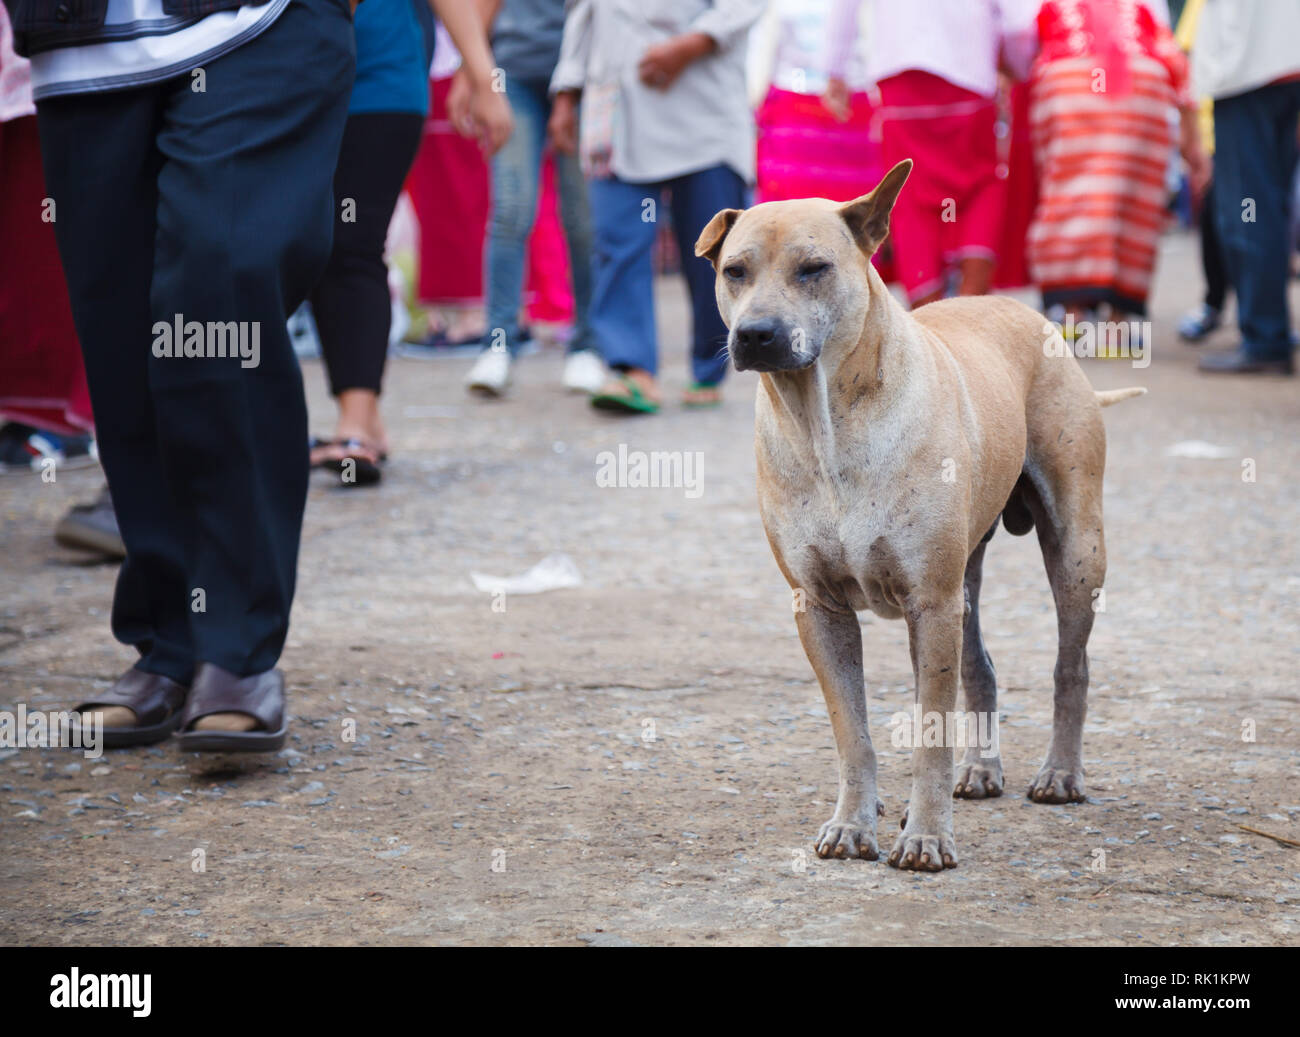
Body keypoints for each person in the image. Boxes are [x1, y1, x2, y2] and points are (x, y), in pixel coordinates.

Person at [11, 0, 509, 751]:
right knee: (120, 328)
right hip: (81, 37)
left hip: (260, 23)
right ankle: (169, 643)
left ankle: (235, 648)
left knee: (219, 279)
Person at [549, 0, 764, 413]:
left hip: (705, 111)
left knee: (713, 251)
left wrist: (690, 45)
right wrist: (566, 93)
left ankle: (709, 364)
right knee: (617, 241)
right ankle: (633, 370)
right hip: (617, 108)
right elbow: (584, 15)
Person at [307, 0, 450, 487]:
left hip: (380, 81)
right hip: (293, 81)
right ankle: (366, 419)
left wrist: (478, 68)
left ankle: (354, 426)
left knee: (351, 245)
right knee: (314, 249)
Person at [825, 0, 1040, 308]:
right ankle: (971, 307)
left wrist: (835, 70)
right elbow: (1020, 24)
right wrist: (1018, 65)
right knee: (981, 182)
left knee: (909, 194)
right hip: (969, 79)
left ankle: (929, 319)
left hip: (900, 78)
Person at [1025, 0, 1206, 336]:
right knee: (1132, 198)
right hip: (1140, 77)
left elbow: (1019, 44)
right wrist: (1192, 138)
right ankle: (1117, 323)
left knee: (1070, 195)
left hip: (1067, 77)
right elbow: (1170, 54)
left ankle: (1072, 314)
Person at [462, 0, 603, 397]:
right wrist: (469, 75)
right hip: (512, 71)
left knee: (582, 217)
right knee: (510, 209)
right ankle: (497, 345)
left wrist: (571, 92)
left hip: (584, 73)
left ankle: (587, 345)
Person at [1193, 0, 1300, 375]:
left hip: (1251, 73)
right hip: (1283, 65)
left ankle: (1265, 337)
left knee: (1248, 211)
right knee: (1271, 205)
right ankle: (1269, 331)